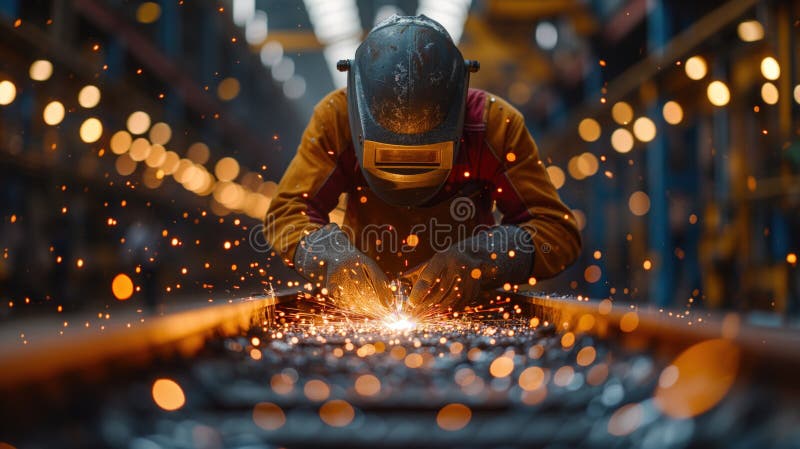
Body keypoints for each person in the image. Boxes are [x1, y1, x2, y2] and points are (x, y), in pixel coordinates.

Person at [264, 15, 581, 318]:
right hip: (363, 309)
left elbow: (557, 233)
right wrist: (333, 259)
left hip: (470, 305)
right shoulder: (337, 120)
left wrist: (480, 260)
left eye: (425, 156)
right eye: (390, 156)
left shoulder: (494, 126)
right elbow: (287, 213)